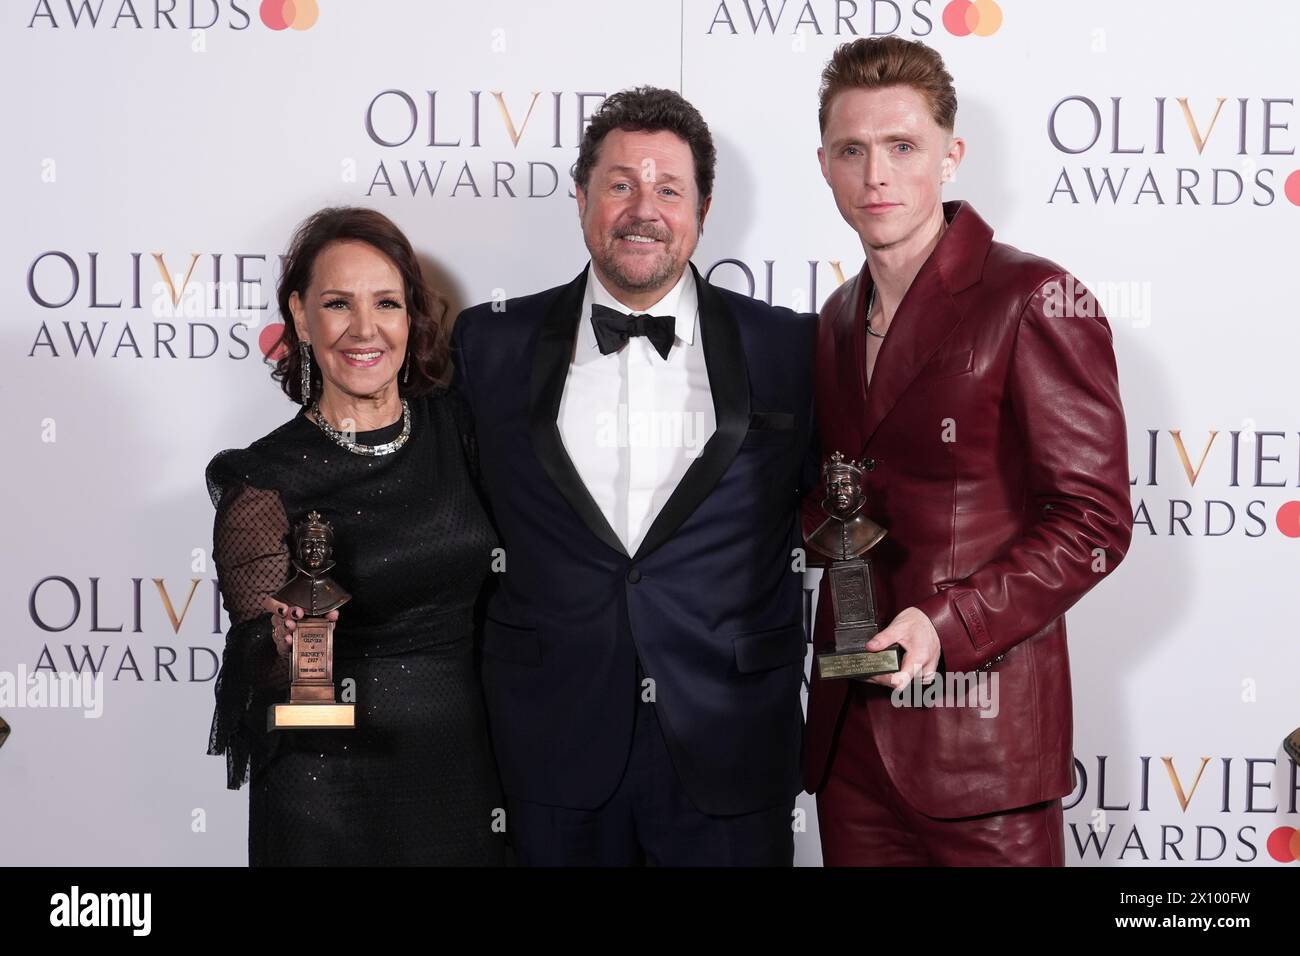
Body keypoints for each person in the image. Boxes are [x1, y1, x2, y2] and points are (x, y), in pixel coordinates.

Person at [451, 87, 817, 865]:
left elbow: (848, 503)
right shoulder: (489, 345)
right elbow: (445, 513)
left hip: (731, 735)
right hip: (548, 733)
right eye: (620, 184)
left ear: (704, 209)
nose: (642, 209)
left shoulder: (788, 348)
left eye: (668, 189)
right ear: (582, 197)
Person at [803, 37, 1133, 865]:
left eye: (902, 147)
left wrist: (947, 623)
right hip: (851, 743)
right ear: (824, 165)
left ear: (950, 157)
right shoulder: (837, 316)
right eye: (853, 149)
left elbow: (1094, 522)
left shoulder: (1033, 297)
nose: (876, 174)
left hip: (982, 757)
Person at [205, 206, 505, 866]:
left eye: (387, 303)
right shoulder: (262, 478)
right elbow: (254, 661)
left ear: (411, 318)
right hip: (328, 793)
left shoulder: (462, 433)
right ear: (303, 317)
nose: (365, 329)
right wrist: (283, 647)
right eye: (338, 303)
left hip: (464, 775)